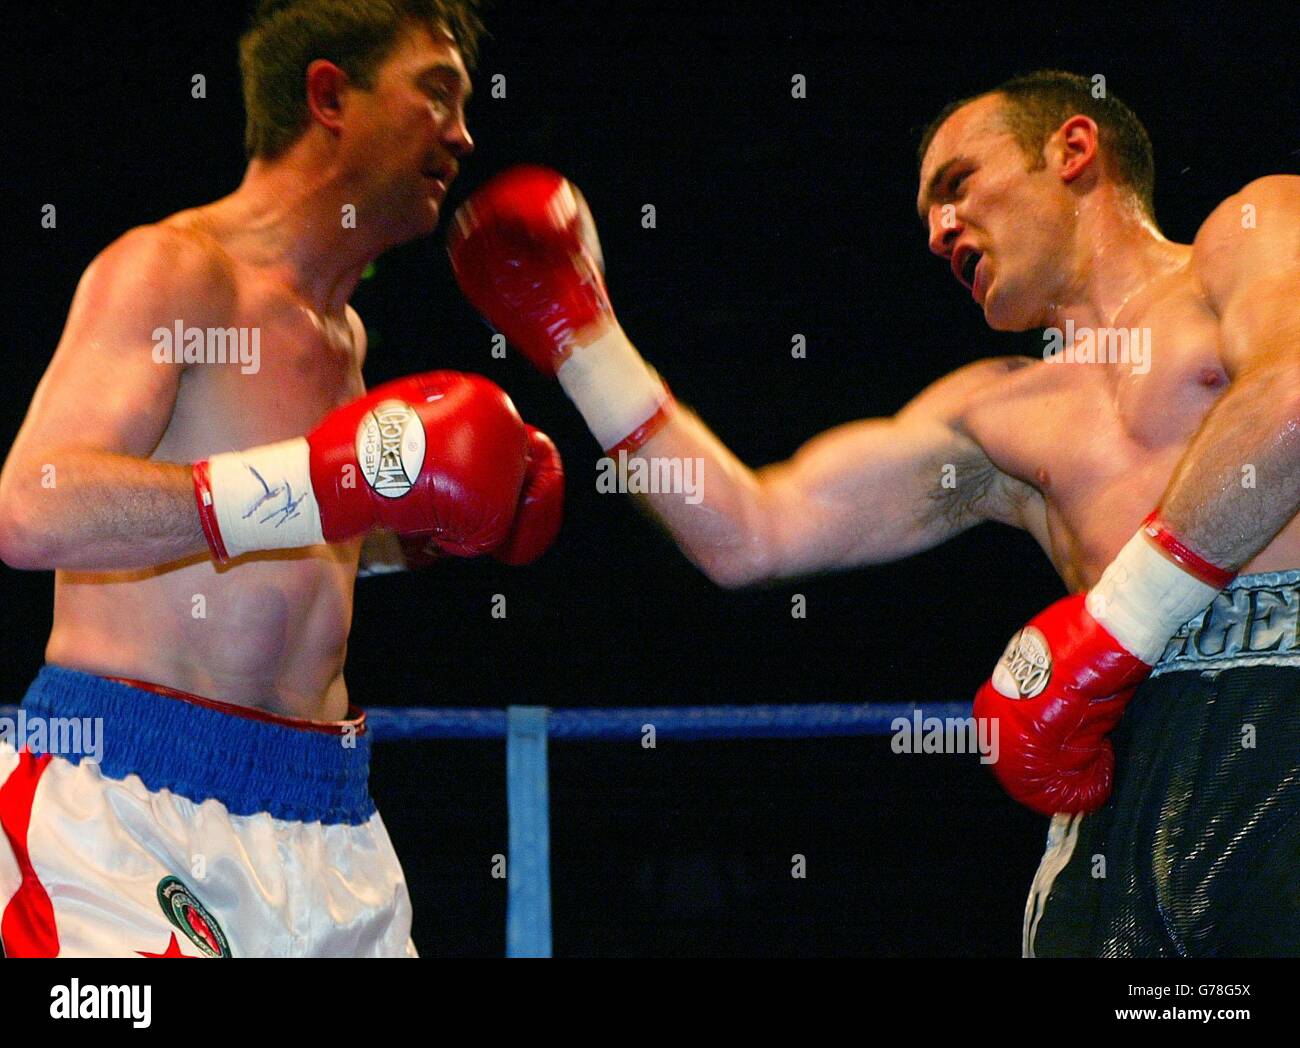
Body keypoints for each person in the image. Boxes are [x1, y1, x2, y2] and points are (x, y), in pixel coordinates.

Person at [446, 71, 1300, 956]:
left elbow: (1291, 397)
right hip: (1117, 765)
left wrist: (1115, 626)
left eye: (957, 185)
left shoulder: (1253, 233)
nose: (938, 232)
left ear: (1073, 151)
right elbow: (753, 532)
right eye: (930, 212)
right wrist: (584, 343)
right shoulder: (987, 413)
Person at [0, 0, 563, 958]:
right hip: (127, 810)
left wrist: (410, 535)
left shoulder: (342, 339)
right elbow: (32, 506)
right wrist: (325, 486)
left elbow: (286, 537)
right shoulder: (175, 270)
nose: (464, 135)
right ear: (330, 94)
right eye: (436, 94)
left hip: (326, 823)